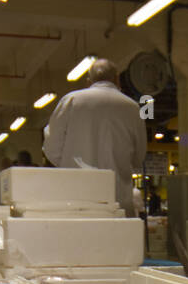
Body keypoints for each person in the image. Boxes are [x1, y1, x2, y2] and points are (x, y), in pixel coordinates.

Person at [42, 58, 146, 216]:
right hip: (118, 199)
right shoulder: (133, 108)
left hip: (77, 198)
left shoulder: (71, 101)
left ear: (88, 81)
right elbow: (139, 157)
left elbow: (51, 148)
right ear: (117, 79)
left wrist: (71, 164)